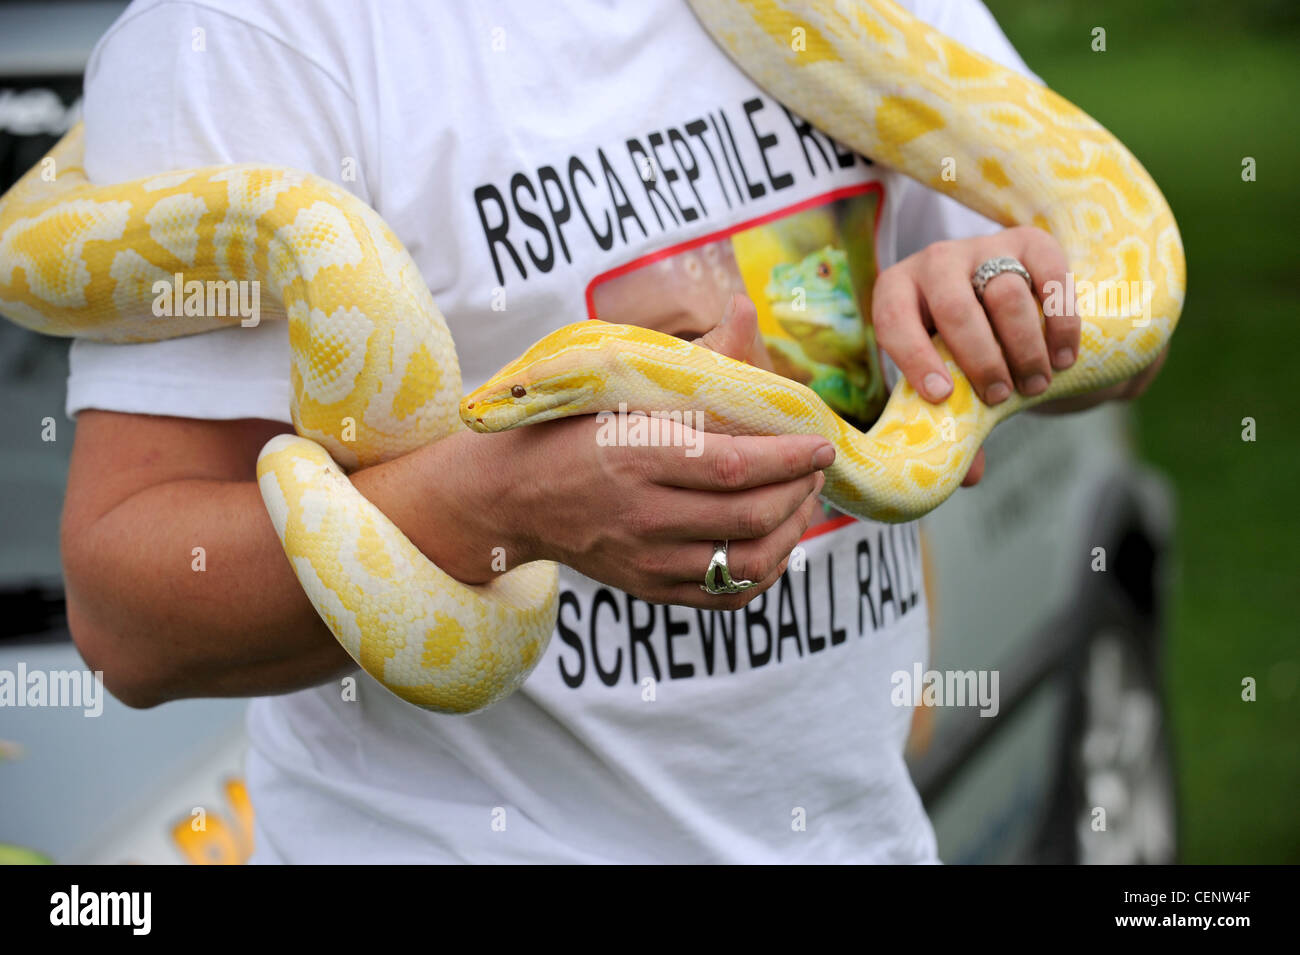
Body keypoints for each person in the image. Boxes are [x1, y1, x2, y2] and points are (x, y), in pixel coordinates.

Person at [60, 0, 1162, 863]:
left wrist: (1003, 306)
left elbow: (1123, 319)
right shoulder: (246, 34)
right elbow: (127, 614)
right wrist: (493, 511)